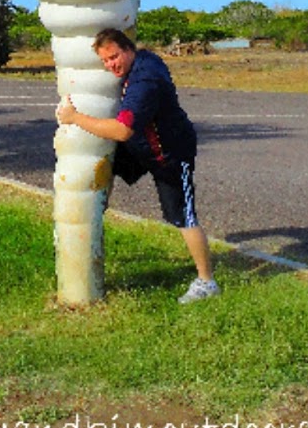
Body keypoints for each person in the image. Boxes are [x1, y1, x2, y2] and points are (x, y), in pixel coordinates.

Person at [54, 27, 221, 304]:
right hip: (143, 144)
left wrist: (75, 118)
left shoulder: (145, 80)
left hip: (169, 154)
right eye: (105, 61)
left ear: (129, 49)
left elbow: (122, 131)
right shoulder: (139, 63)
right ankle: (89, 231)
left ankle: (207, 281)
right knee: (103, 167)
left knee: (181, 215)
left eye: (115, 57)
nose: (111, 65)